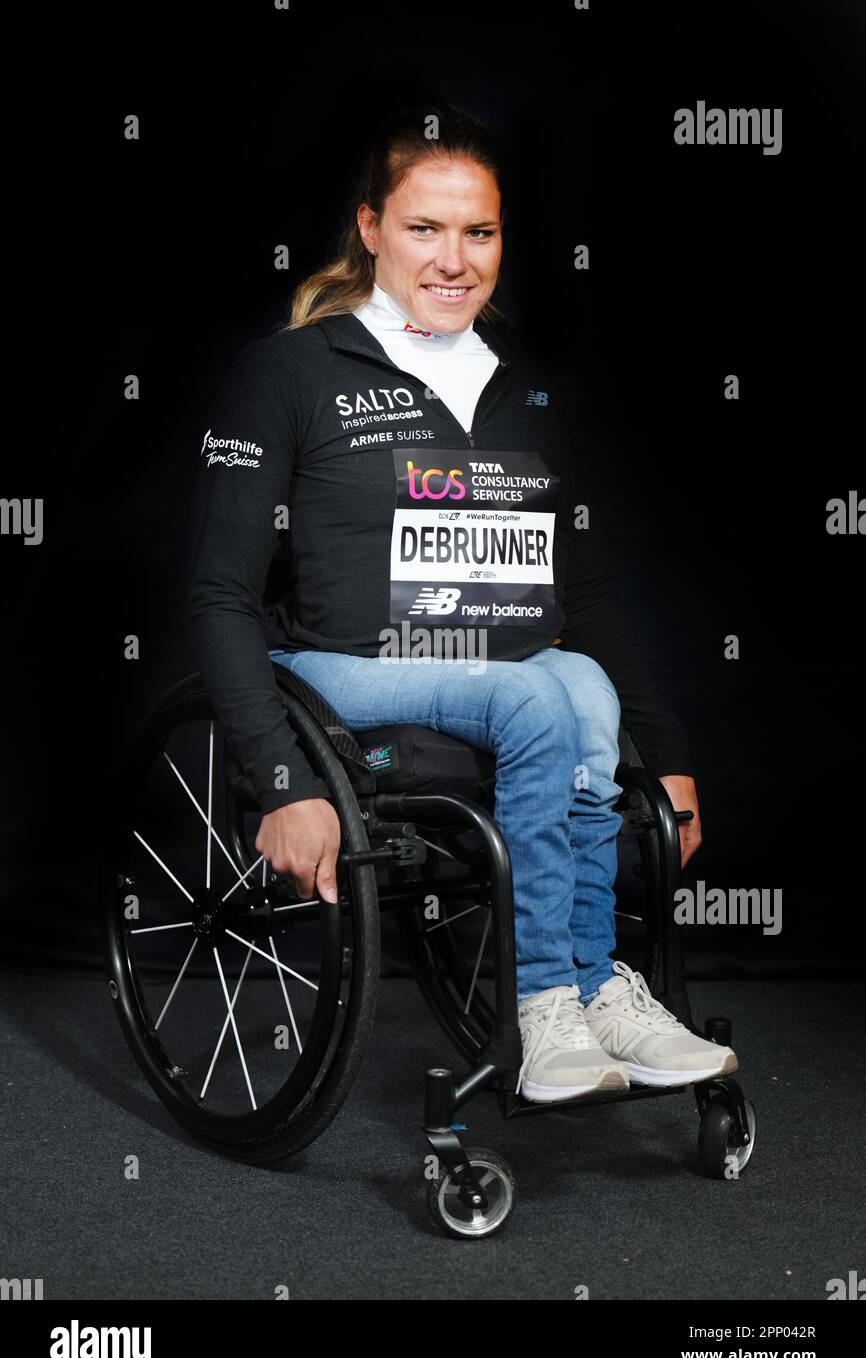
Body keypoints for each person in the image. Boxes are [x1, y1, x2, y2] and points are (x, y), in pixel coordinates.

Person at [187, 103, 737, 1104]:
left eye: (477, 232)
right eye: (422, 228)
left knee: (573, 677)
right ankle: (540, 1004)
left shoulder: (528, 387)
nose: (453, 259)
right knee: (540, 694)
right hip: (344, 678)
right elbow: (220, 592)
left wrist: (670, 753)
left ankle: (597, 990)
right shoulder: (287, 373)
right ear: (368, 229)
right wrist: (279, 781)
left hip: (510, 686)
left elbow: (590, 587)